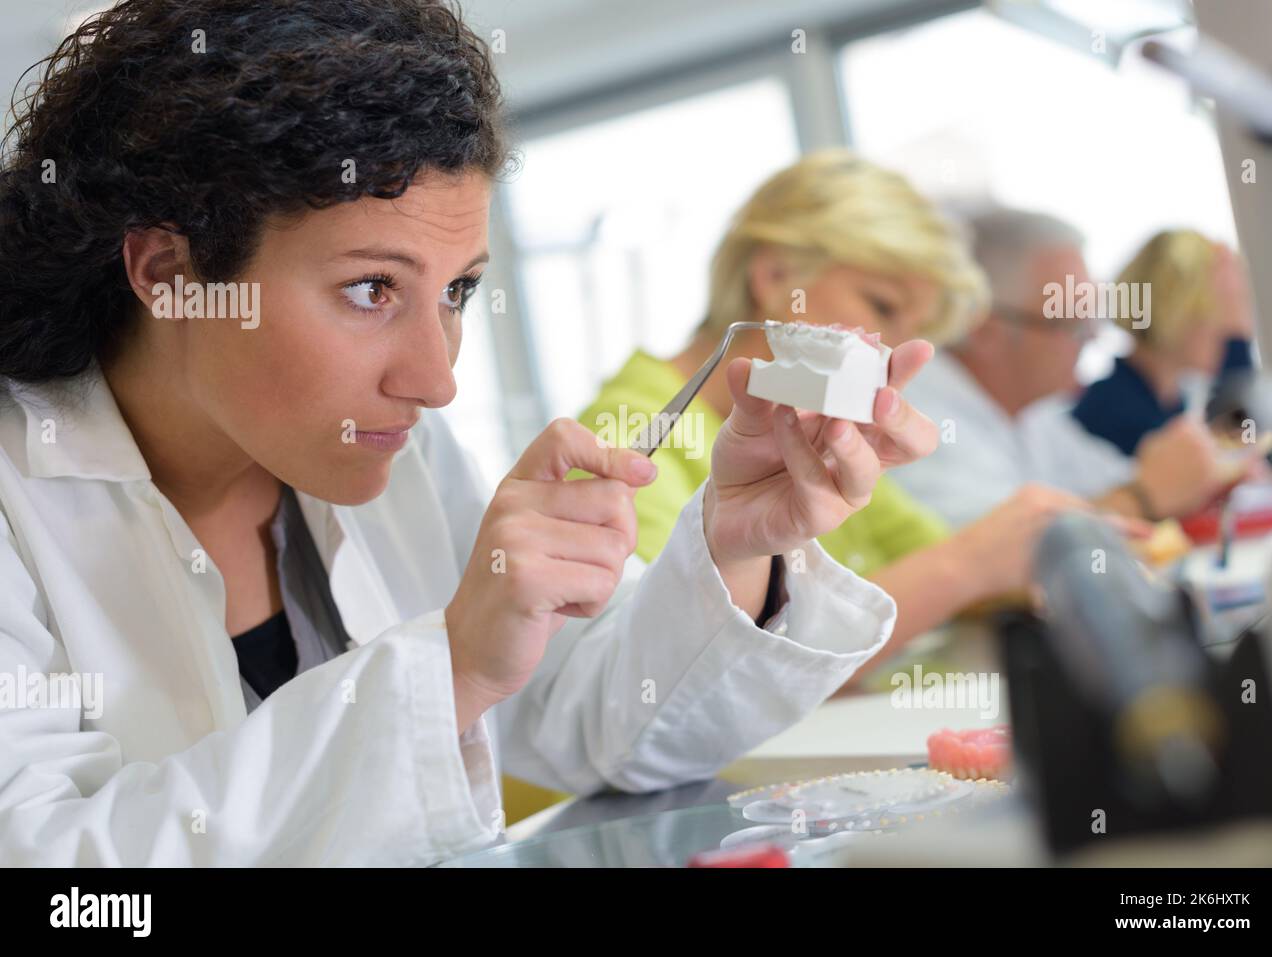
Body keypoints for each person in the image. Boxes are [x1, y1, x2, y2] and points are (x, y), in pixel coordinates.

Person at [0, 0, 941, 865]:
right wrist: (448, 665)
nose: (437, 379)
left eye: (456, 291)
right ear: (168, 272)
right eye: (371, 289)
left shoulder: (396, 457)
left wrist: (739, 545)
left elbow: (591, 730)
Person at [579, 154, 1111, 663]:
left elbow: (933, 555)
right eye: (881, 306)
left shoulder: (808, 425)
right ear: (774, 277)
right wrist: (967, 564)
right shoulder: (629, 432)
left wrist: (1010, 549)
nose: (889, 349)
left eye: (912, 330)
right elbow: (664, 664)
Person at [894, 208, 1229, 529]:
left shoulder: (1031, 415)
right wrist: (1144, 497)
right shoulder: (917, 425)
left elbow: (1105, 479)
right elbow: (989, 559)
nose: (1093, 340)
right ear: (984, 330)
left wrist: (1200, 476)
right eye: (1072, 326)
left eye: (1091, 321)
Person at [1072, 229, 1256, 456]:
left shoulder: (1176, 401)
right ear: (1178, 312)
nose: (1229, 324)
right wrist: (1237, 345)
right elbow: (1238, 455)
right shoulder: (1114, 413)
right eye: (1221, 307)